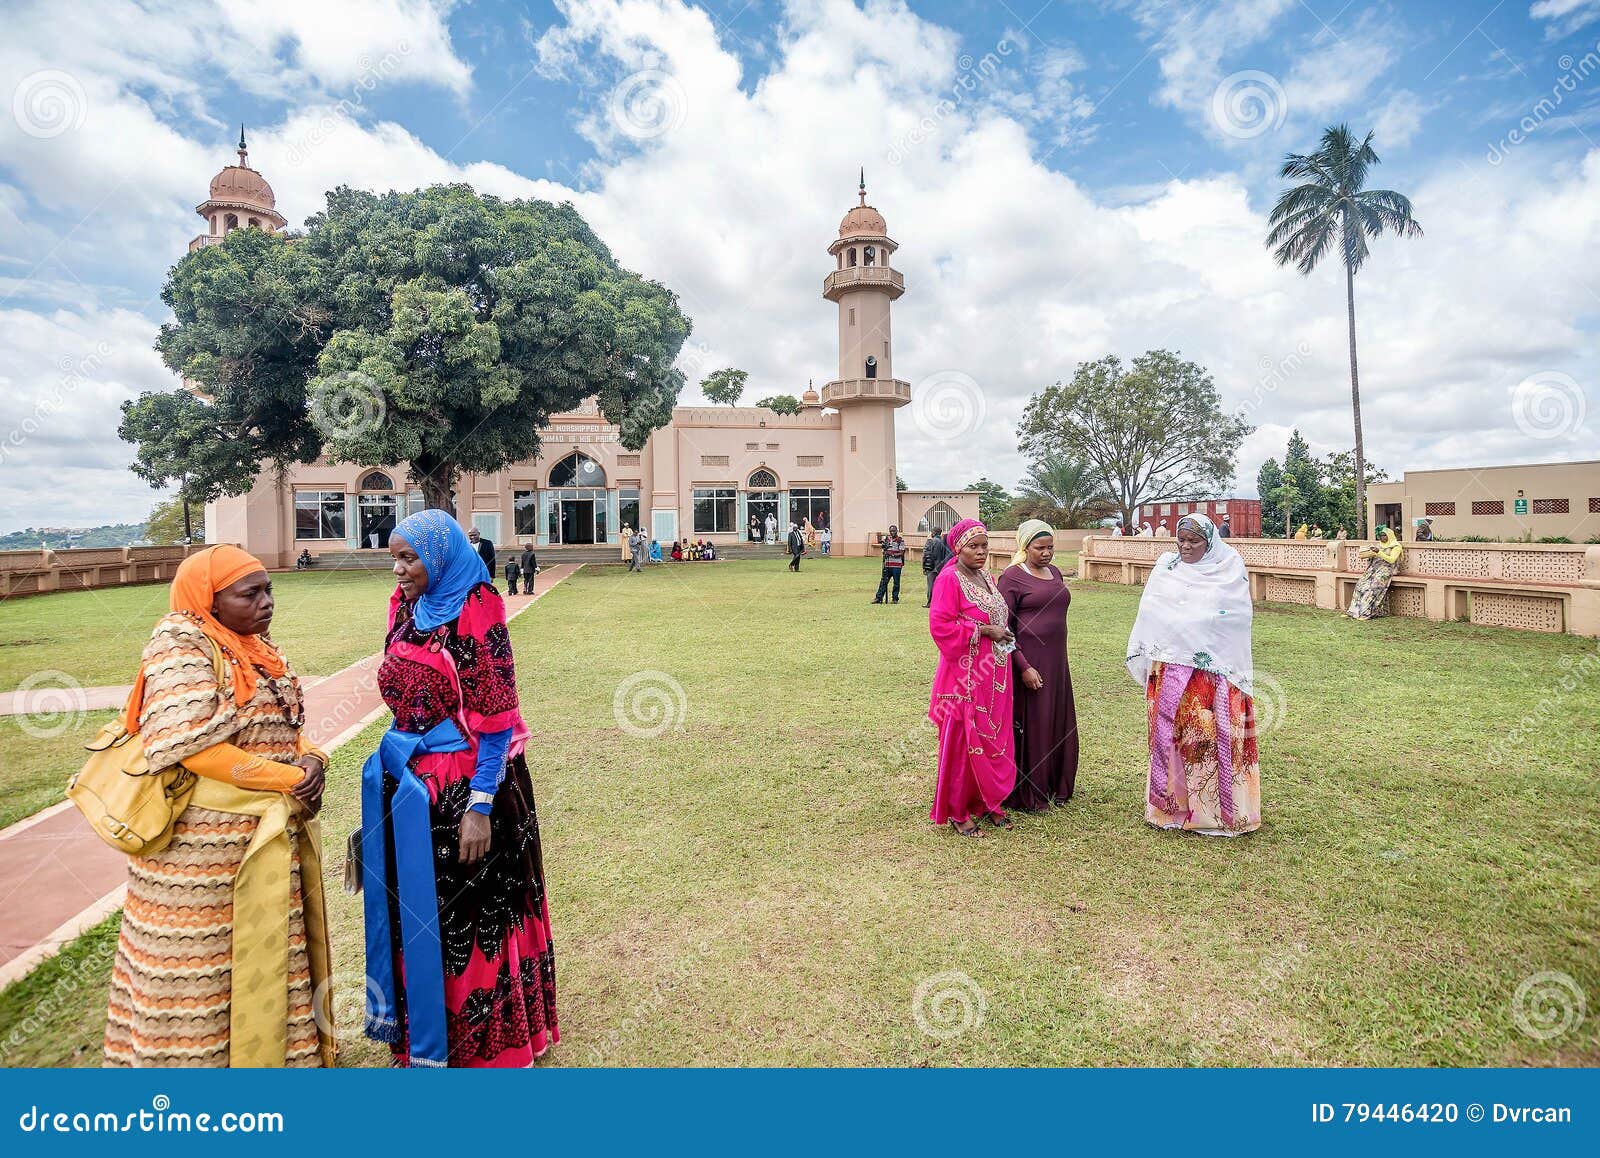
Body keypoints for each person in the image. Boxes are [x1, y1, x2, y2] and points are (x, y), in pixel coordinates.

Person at [105, 545, 334, 1067]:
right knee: (199, 973)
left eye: (268, 590)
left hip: (263, 838)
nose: (266, 602)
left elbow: (282, 724)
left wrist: (313, 759)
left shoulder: (252, 645)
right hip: (197, 861)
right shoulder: (179, 644)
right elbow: (193, 744)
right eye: (248, 593)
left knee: (266, 958)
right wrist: (289, 779)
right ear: (208, 599)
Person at [363, 510, 558, 1068]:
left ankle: (482, 1047)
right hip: (408, 787)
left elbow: (497, 723)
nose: (398, 569)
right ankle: (422, 1034)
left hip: (468, 788)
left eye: (409, 558)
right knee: (413, 912)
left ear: (441, 556)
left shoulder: (478, 605)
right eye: (394, 557)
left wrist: (480, 806)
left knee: (465, 915)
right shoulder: (402, 606)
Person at [1125, 513, 1261, 836]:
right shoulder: (1166, 570)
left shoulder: (1228, 570)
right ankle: (1171, 809)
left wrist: (1197, 634)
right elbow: (1150, 613)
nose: (1185, 547)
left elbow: (1236, 619)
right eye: (1181, 540)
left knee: (1208, 740)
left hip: (1210, 675)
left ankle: (1214, 812)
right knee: (1171, 740)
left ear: (1210, 541)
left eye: (1194, 541)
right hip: (1170, 670)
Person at [928, 518, 1017, 836]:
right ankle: (958, 809)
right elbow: (940, 627)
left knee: (993, 736)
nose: (981, 552)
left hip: (995, 672)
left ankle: (988, 801)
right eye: (973, 546)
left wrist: (1001, 635)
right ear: (957, 548)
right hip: (963, 676)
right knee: (964, 741)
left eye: (984, 546)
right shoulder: (949, 579)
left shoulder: (985, 576)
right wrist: (982, 630)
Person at [999, 520, 1079, 812]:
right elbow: (1002, 629)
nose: (1047, 553)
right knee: (1034, 723)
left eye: (1050, 547)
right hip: (1030, 663)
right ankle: (1028, 791)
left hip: (1057, 662)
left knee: (1056, 719)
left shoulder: (1054, 572)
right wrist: (1022, 666)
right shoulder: (1011, 577)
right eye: (1040, 547)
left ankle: (1054, 784)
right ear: (1025, 546)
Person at [1347, 526, 1404, 619]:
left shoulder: (1396, 546)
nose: (1382, 537)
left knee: (1373, 587)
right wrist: (1369, 553)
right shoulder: (1378, 545)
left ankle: (1366, 613)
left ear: (1390, 536)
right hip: (1374, 569)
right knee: (1360, 585)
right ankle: (1354, 611)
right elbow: (1371, 557)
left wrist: (1379, 552)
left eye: (1385, 535)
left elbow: (1392, 560)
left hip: (1386, 570)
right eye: (1381, 535)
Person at [872, 525, 907, 604]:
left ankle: (895, 599)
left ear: (896, 531)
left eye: (894, 531)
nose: (892, 532)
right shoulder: (887, 540)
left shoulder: (900, 541)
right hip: (887, 564)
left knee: (896, 582)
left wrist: (892, 554)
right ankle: (879, 597)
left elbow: (901, 553)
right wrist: (884, 550)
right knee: (883, 581)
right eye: (891, 531)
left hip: (896, 566)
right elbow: (884, 550)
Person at [920, 529, 950, 607]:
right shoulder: (943, 542)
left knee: (931, 585)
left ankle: (930, 602)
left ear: (934, 533)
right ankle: (939, 602)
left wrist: (924, 566)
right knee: (939, 585)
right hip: (941, 567)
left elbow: (926, 554)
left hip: (932, 567)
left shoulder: (931, 541)